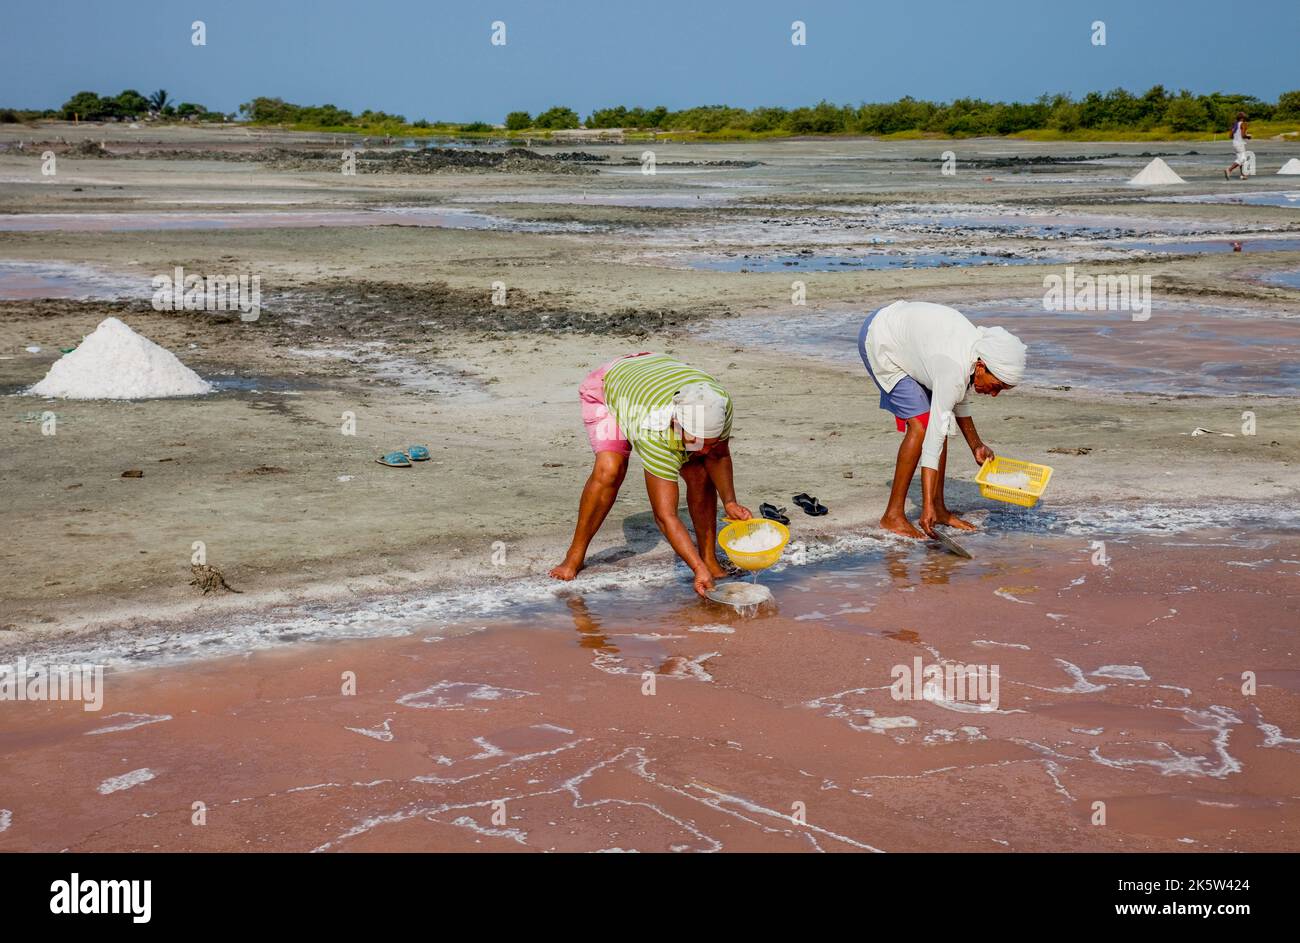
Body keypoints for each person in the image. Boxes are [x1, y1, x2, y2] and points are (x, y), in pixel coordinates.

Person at [549, 352, 751, 597]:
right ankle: (574, 556)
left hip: (655, 370)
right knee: (610, 469)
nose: (707, 447)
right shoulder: (653, 433)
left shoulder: (719, 404)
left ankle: (709, 558)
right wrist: (695, 569)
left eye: (711, 440)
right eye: (700, 440)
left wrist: (729, 501)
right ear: (677, 425)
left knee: (700, 469)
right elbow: (665, 517)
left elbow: (718, 455)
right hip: (611, 385)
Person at [858, 300, 1027, 539]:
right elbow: (935, 434)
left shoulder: (974, 354)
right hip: (882, 338)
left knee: (940, 421)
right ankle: (893, 516)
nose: (994, 393)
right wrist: (924, 506)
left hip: (913, 341)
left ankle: (938, 508)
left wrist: (976, 445)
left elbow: (957, 400)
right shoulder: (954, 367)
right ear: (981, 367)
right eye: (996, 386)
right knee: (924, 425)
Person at [1225, 112, 1251, 180]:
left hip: (1234, 143)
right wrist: (1248, 136)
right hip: (1240, 143)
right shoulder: (1243, 124)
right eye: (1245, 118)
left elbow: (1230, 136)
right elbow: (1243, 135)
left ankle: (1243, 175)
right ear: (1243, 118)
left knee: (1240, 158)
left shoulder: (1234, 124)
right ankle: (1229, 170)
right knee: (1243, 159)